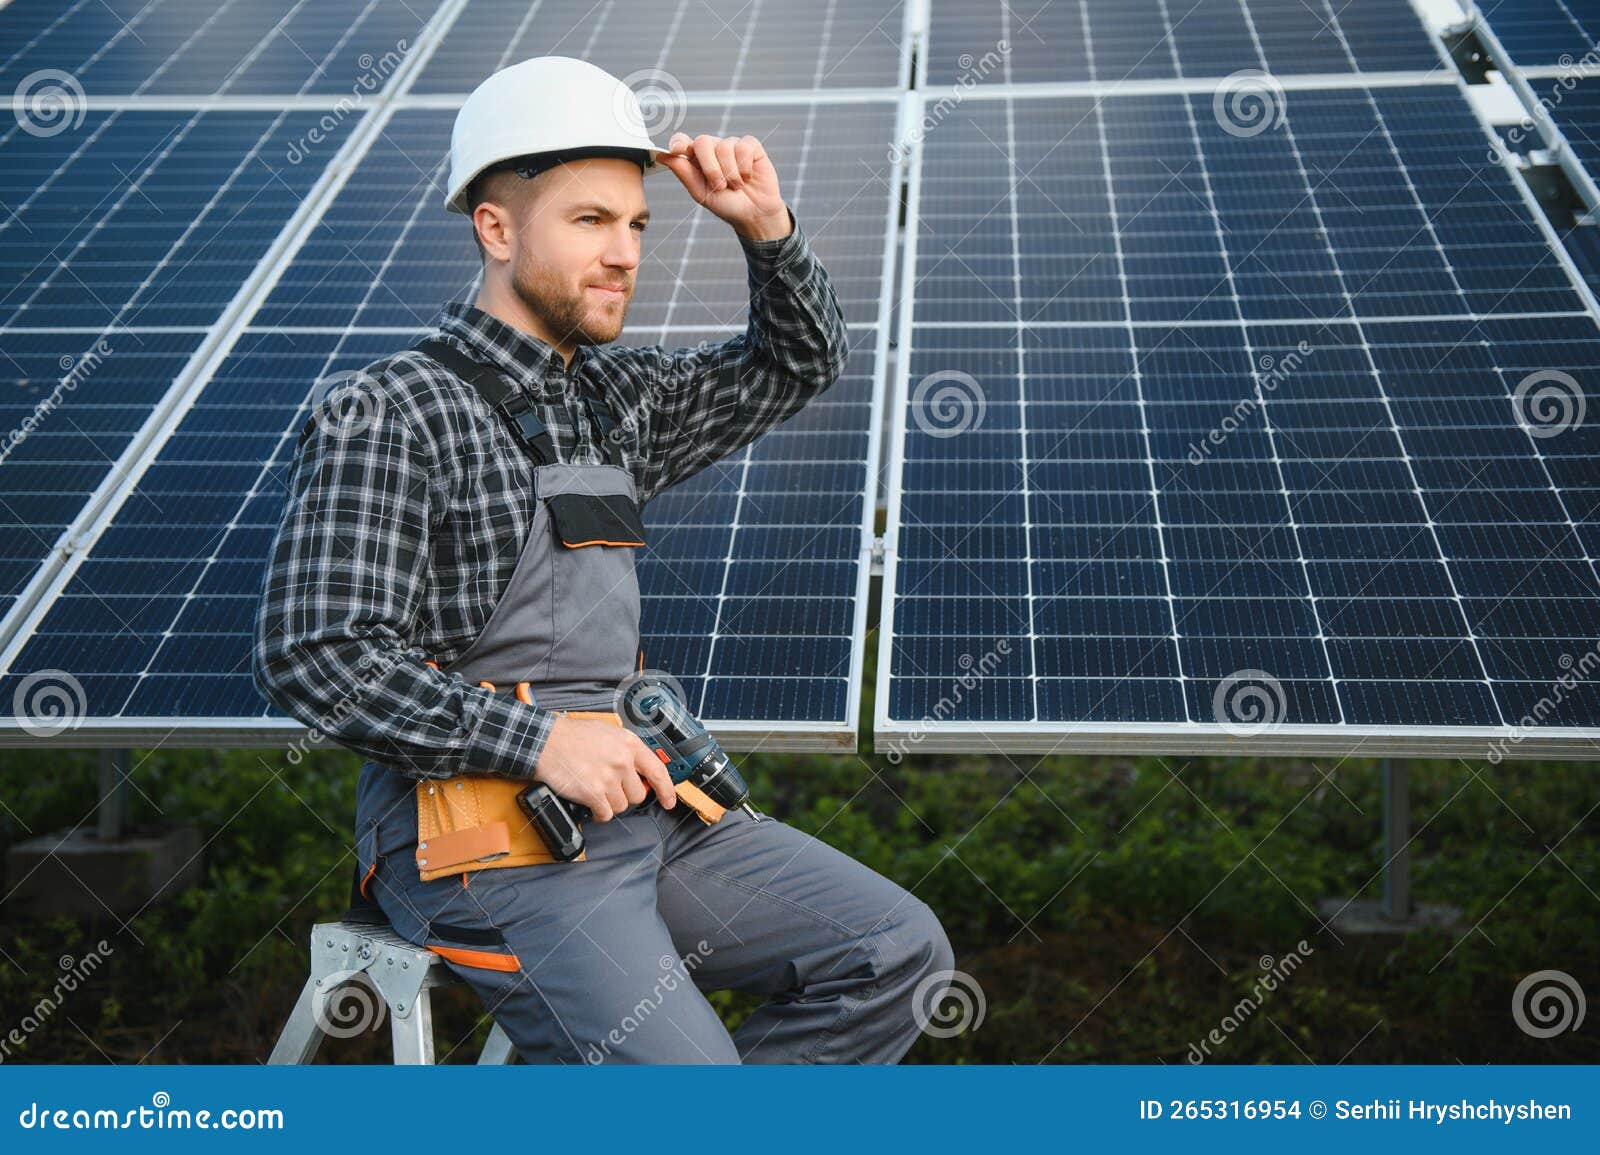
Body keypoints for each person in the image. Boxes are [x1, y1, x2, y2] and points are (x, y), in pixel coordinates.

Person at [252, 56, 952, 1064]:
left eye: (635, 225)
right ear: (495, 228)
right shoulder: (388, 412)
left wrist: (765, 230)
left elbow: (796, 364)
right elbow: (317, 655)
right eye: (589, 221)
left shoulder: (615, 401)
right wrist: (539, 741)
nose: (624, 252)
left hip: (643, 816)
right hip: (483, 847)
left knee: (897, 954)